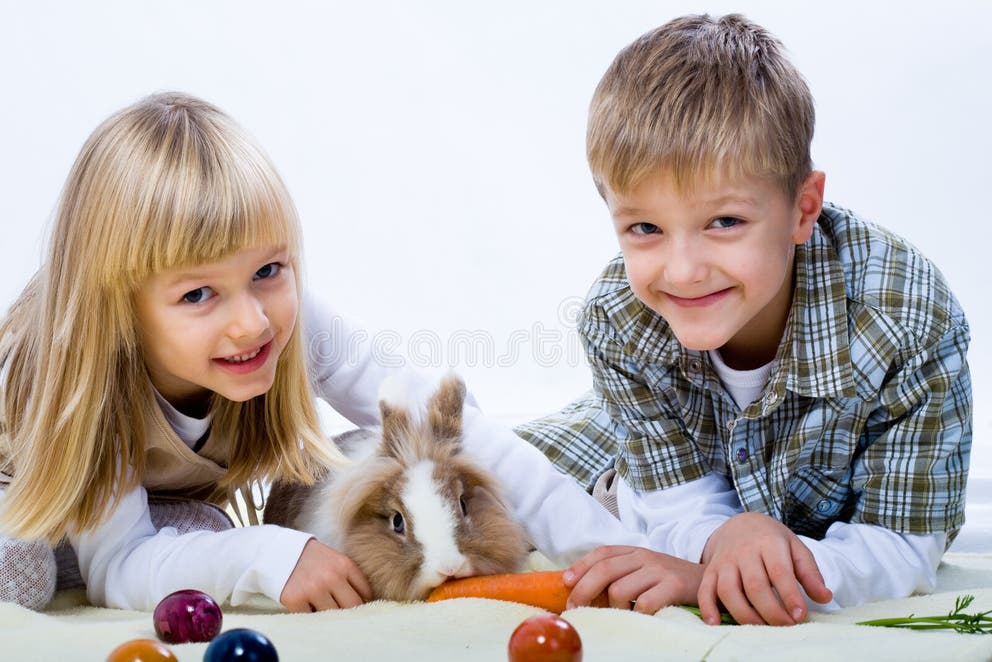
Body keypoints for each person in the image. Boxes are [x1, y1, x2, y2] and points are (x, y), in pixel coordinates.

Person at [0, 92, 647, 612]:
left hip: (164, 495)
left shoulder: (289, 321)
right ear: (121, 311)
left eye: (269, 270)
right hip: (33, 486)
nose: (251, 322)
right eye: (198, 293)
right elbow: (118, 568)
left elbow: (442, 426)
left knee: (255, 513)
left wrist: (608, 545)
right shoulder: (82, 373)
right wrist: (262, 555)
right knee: (27, 565)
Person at [518, 14, 972, 626]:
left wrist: (729, 575)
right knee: (489, 476)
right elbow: (673, 505)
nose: (682, 272)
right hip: (635, 453)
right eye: (645, 228)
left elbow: (904, 542)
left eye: (725, 222)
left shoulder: (905, 320)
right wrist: (718, 541)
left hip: (805, 515)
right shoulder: (619, 318)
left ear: (802, 209)